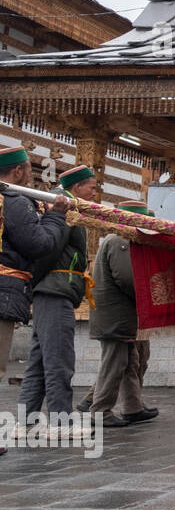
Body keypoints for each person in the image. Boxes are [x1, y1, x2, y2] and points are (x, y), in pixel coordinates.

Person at [19, 165, 94, 433]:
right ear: (76, 188)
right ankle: (61, 421)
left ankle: (26, 420)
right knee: (59, 360)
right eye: (91, 187)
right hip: (55, 291)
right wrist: (37, 282)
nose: (94, 193)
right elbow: (49, 248)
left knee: (40, 361)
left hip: (51, 292)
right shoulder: (62, 210)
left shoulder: (67, 207)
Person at [0, 146, 70, 401]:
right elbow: (39, 245)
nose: (32, 172)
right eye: (30, 167)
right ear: (18, 171)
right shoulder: (15, 202)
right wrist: (55, 217)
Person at [88, 202, 160, 429]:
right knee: (115, 362)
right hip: (116, 314)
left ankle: (132, 406)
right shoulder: (120, 240)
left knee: (130, 360)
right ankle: (100, 409)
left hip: (121, 315)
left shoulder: (117, 238)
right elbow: (128, 279)